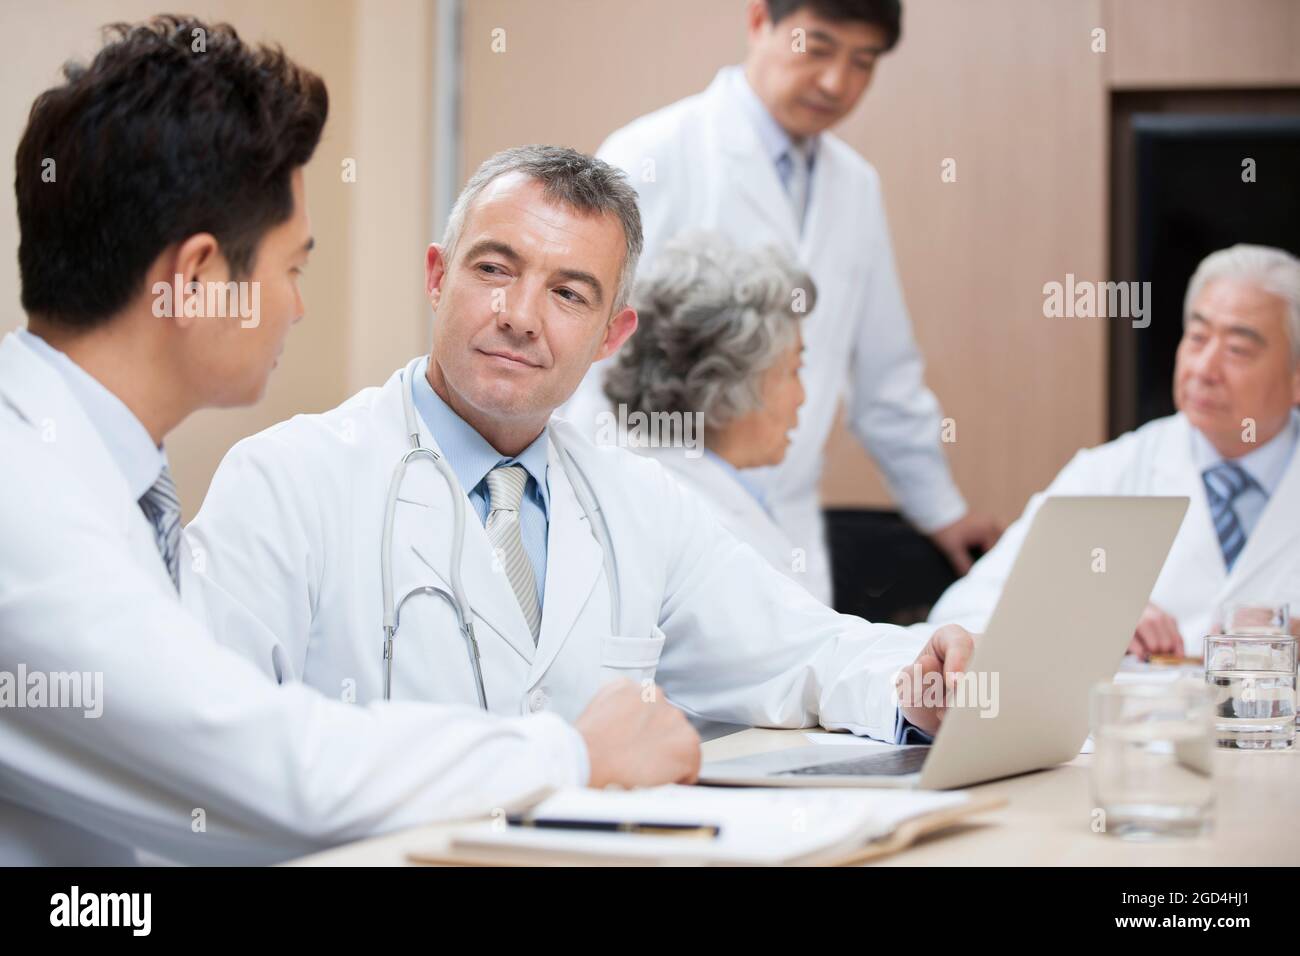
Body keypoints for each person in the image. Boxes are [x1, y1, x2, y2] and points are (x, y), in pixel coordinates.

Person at [0, 18, 698, 867]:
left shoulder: (82, 472)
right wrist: (574, 755)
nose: (298, 307)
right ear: (196, 279)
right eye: (292, 268)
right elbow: (258, 767)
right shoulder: (28, 503)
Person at [186, 145, 975, 762]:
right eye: (494, 269)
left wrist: (922, 680)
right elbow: (210, 748)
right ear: (437, 277)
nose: (521, 317)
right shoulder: (286, 481)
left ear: (612, 336)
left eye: (569, 293)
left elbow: (801, 650)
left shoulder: (638, 502)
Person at [561, 0, 1001, 605]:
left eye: (863, 62)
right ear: (759, 21)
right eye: (816, 48)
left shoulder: (855, 187)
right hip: (654, 505)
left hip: (785, 525)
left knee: (803, 688)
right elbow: (584, 356)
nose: (835, 82)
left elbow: (885, 376)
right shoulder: (650, 154)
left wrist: (941, 510)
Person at [927, 245, 1300, 658]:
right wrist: (1091, 616)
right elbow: (957, 617)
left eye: (1237, 351)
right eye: (1196, 338)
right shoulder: (1108, 474)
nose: (1204, 370)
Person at [602, 231, 812, 587]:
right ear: (733, 382)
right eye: (793, 371)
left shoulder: (682, 488)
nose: (802, 396)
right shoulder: (702, 526)